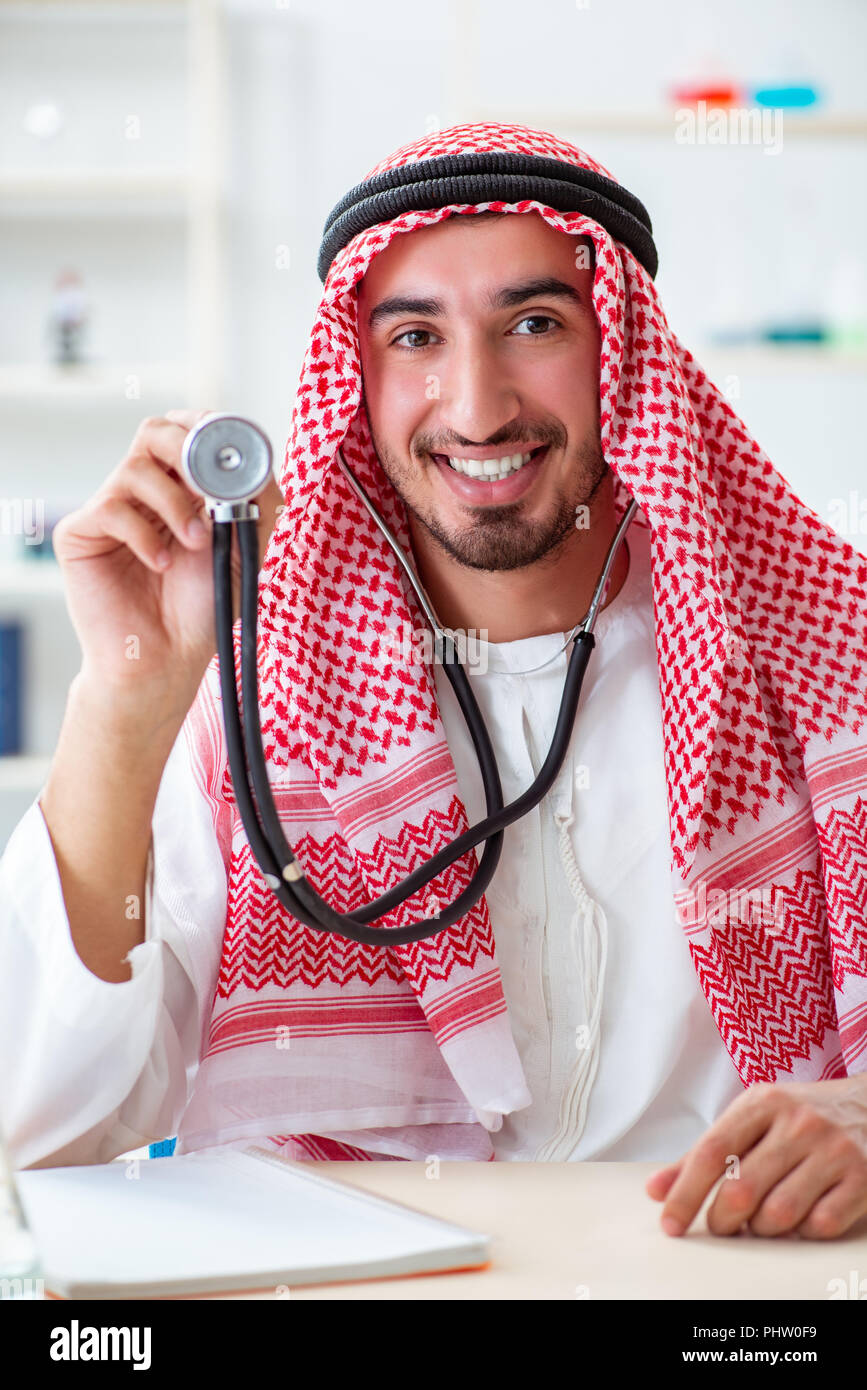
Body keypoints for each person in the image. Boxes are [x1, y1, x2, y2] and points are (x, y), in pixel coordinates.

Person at [1, 123, 866, 1243]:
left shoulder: (823, 665)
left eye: (535, 324)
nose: (476, 406)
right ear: (354, 380)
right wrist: (121, 701)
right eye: (413, 336)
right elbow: (33, 1127)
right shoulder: (254, 702)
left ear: (625, 353)